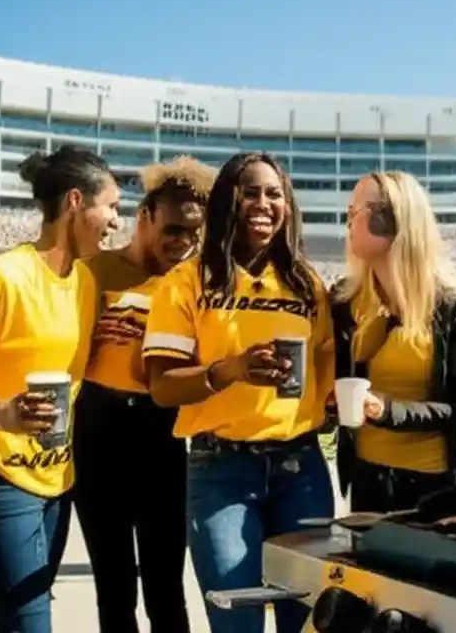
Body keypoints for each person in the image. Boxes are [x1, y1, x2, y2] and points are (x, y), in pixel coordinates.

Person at [0, 145, 118, 632]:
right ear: (75, 201)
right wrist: (0, 414)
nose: (117, 219)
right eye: (111, 206)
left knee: (15, 611)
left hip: (56, 476)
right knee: (31, 617)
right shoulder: (2, 277)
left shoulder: (86, 283)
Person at [142, 151, 334, 633]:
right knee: (237, 625)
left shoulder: (307, 285)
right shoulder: (185, 282)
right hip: (221, 471)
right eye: (251, 192)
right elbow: (162, 386)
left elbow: (326, 377)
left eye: (275, 194)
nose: (264, 204)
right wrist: (232, 370)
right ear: (227, 199)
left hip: (302, 470)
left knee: (308, 624)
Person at [74, 156, 215, 633]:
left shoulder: (194, 283)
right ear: (145, 216)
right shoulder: (94, 271)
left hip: (161, 432)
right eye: (174, 229)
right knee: (113, 585)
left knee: (166, 586)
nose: (185, 243)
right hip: (99, 428)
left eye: (195, 234)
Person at [331, 171, 456, 513]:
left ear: (391, 219)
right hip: (369, 483)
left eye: (355, 212)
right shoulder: (344, 302)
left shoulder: (454, 306)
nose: (347, 224)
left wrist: (388, 411)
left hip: (437, 489)